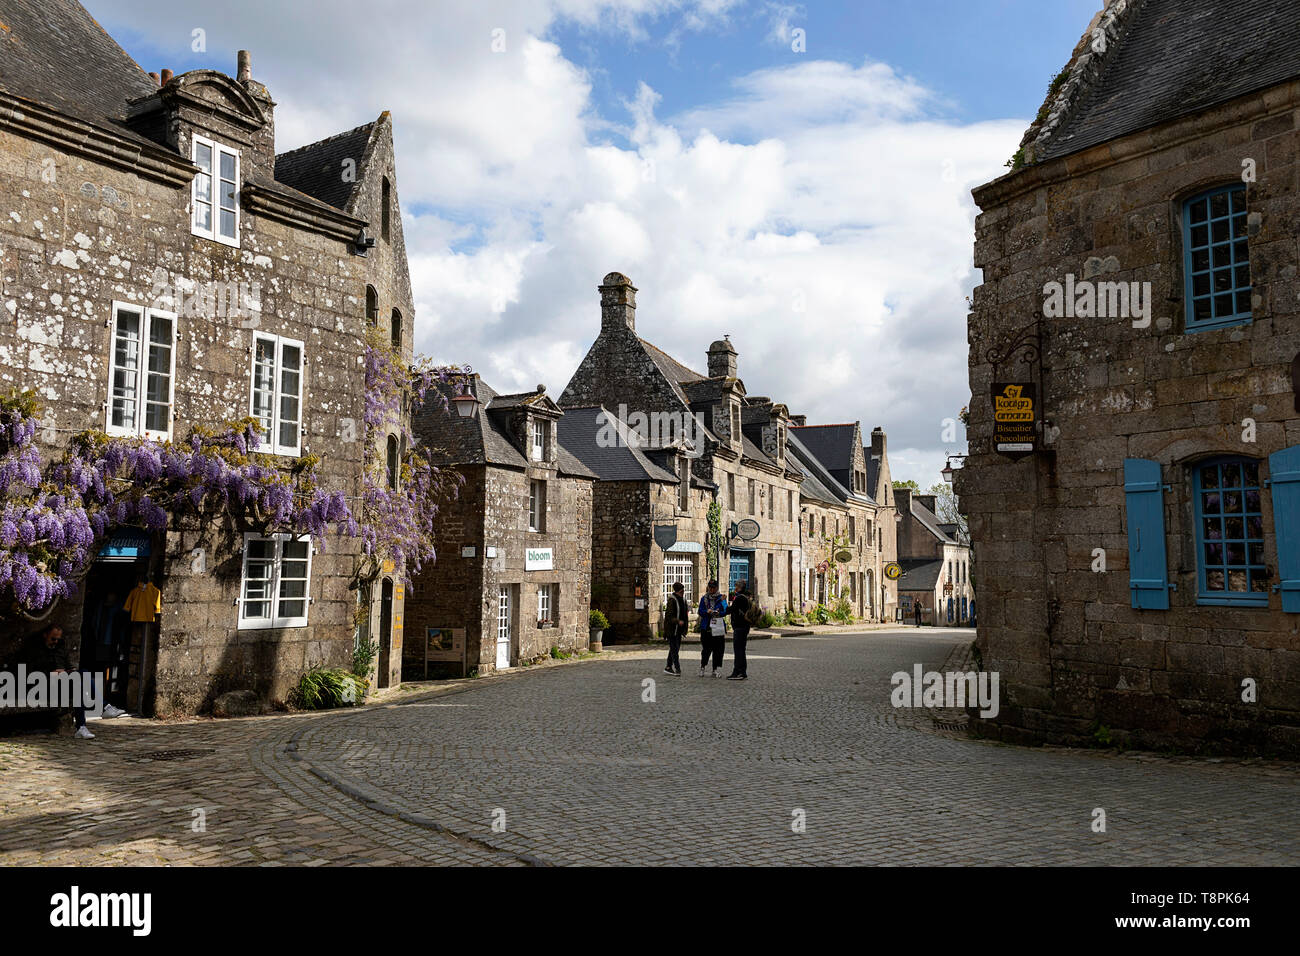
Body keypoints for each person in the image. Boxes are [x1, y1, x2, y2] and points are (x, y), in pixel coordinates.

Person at [21, 624, 94, 739]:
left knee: (82, 675)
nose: (55, 641)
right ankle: (103, 707)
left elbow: (70, 667)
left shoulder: (61, 650)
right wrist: (52, 674)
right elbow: (29, 675)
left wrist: (68, 672)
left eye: (58, 639)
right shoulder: (35, 651)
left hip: (62, 685)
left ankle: (81, 727)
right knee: (78, 682)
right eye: (53, 638)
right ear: (45, 635)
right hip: (42, 687)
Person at [697, 579, 727, 678]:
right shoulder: (704, 598)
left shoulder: (721, 598)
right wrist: (707, 612)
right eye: (710, 587)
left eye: (713, 588)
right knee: (706, 649)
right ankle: (702, 667)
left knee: (717, 650)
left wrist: (719, 613)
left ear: (717, 588)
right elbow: (700, 611)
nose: (712, 589)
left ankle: (715, 670)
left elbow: (725, 610)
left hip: (717, 627)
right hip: (706, 627)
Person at [727, 579, 753, 680]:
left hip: (740, 627)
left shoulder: (739, 598)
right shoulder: (745, 597)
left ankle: (737, 672)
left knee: (738, 650)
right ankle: (743, 672)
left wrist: (723, 604)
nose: (735, 588)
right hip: (744, 626)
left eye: (736, 587)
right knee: (741, 649)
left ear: (740, 588)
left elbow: (731, 610)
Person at [663, 582, 689, 676]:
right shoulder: (672, 600)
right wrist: (678, 621)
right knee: (674, 649)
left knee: (675, 649)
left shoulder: (683, 600)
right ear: (677, 591)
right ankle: (677, 669)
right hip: (671, 629)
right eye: (682, 591)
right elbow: (669, 616)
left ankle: (668, 667)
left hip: (679, 630)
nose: (683, 592)